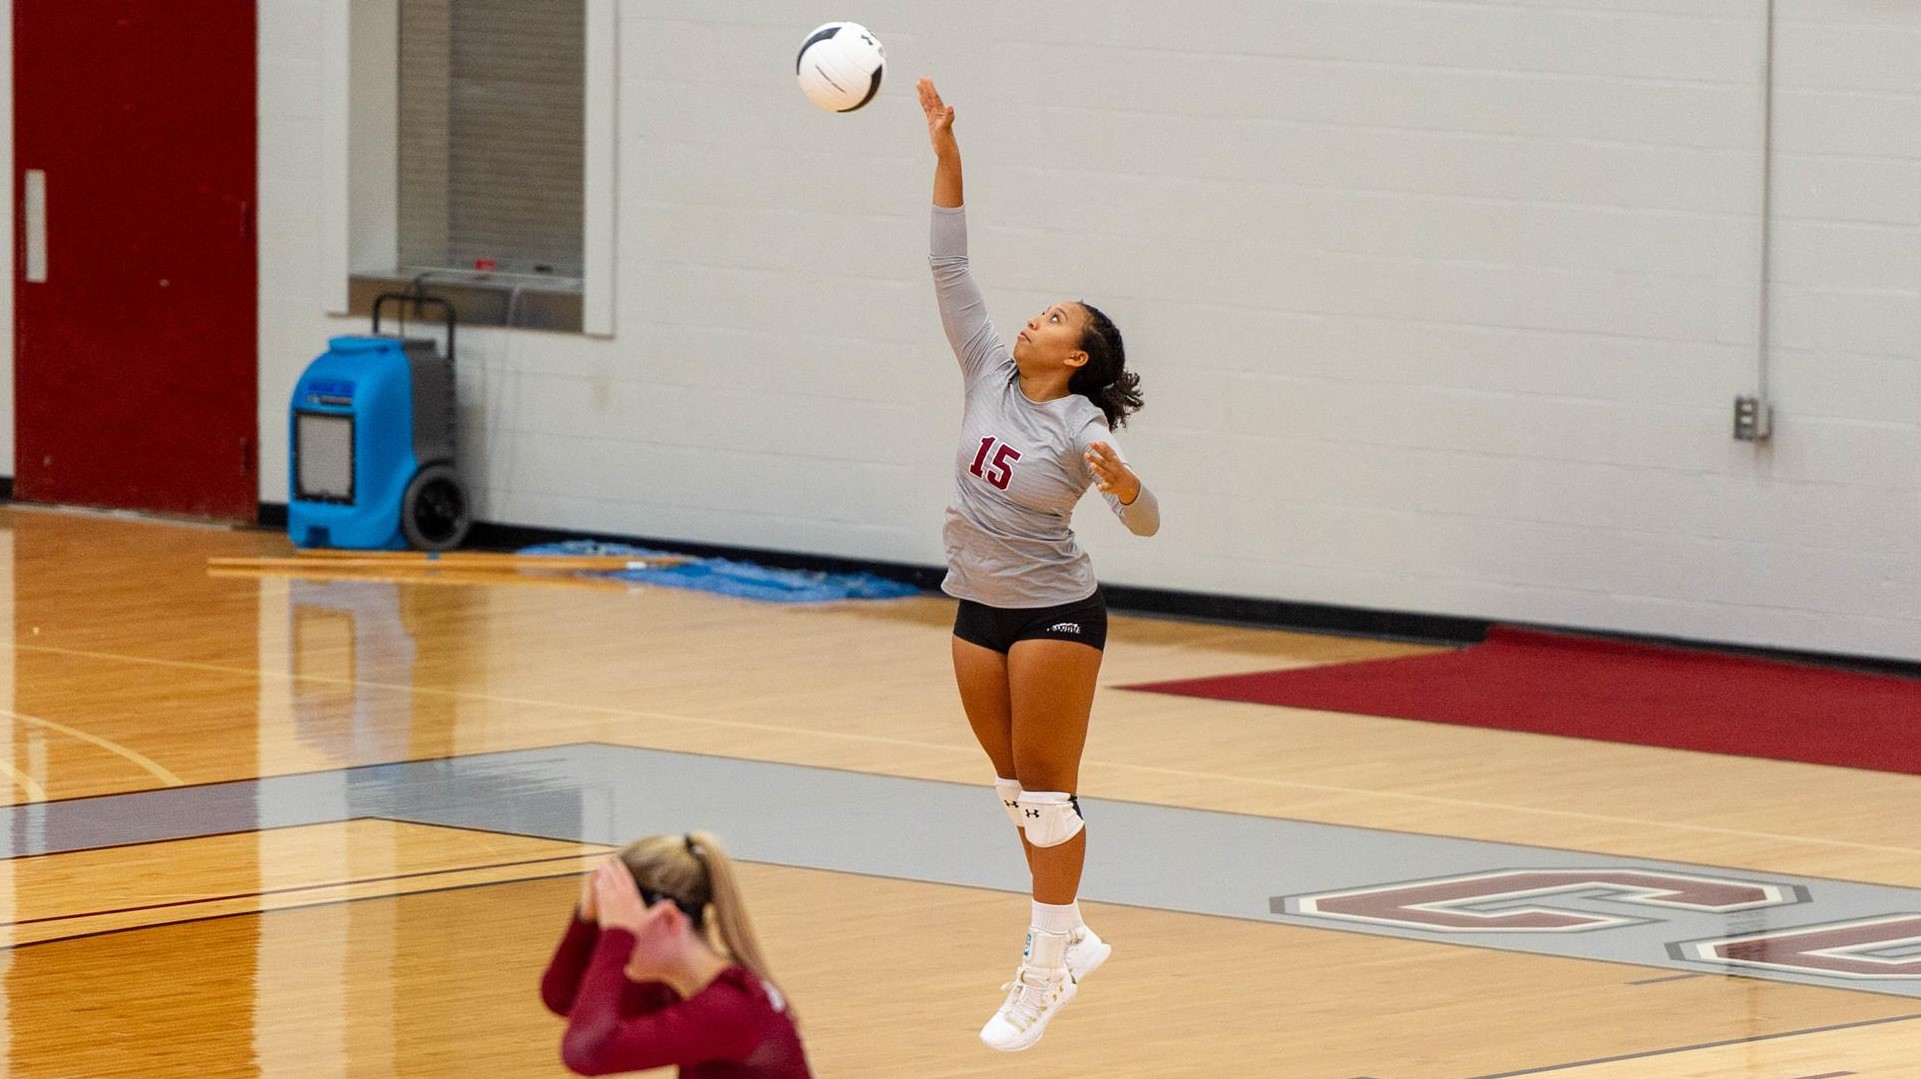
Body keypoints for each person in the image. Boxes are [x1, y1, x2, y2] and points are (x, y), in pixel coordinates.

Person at [917, 77, 1162, 1053]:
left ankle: (1045, 961)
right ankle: (1074, 928)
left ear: (1077, 355)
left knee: (1051, 792)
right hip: (974, 606)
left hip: (1056, 614)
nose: (1033, 317)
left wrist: (1122, 480)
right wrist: (945, 147)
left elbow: (1144, 525)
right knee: (1015, 790)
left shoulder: (1079, 427)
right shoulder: (984, 363)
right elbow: (948, 264)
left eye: (1054, 316)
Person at [540, 832, 814, 1078]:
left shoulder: (730, 1007)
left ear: (669, 919)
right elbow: (564, 996)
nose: (609, 937)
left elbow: (586, 1052)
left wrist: (618, 935)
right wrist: (586, 916)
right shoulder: (683, 989)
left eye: (621, 925)